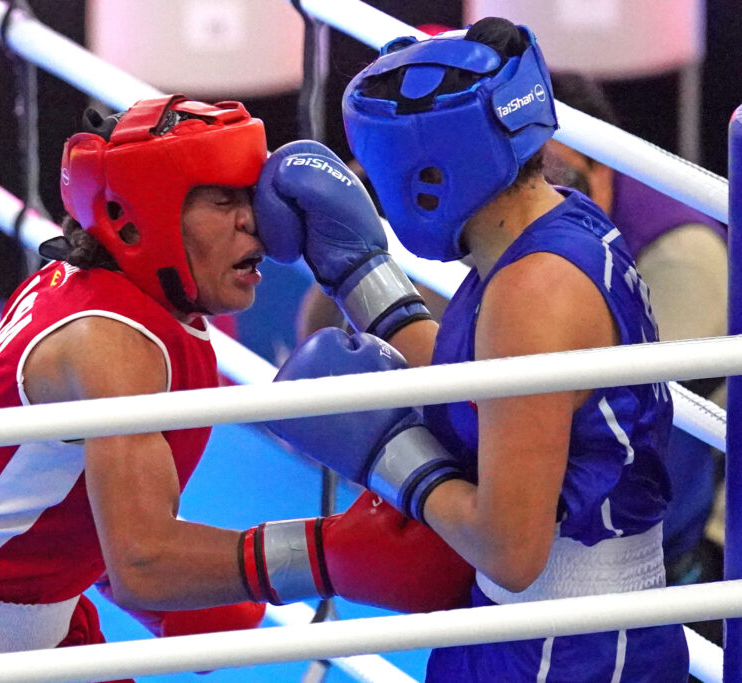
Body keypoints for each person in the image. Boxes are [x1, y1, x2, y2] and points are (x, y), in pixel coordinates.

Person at [0, 95, 473, 672]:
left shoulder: (139, 303)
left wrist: (177, 597)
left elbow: (50, 488)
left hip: (46, 630)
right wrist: (325, 554)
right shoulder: (111, 344)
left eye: (253, 194)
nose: (258, 223)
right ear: (143, 216)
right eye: (224, 199)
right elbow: (143, 561)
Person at [254, 18, 688, 682]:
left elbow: (510, 547)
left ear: (430, 175)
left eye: (381, 177)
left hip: (568, 648)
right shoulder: (549, 225)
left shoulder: (533, 292)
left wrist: (391, 458)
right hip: (533, 628)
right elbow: (488, 390)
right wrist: (360, 278)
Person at [542, 71, 727, 588]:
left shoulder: (681, 255)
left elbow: (637, 429)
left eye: (551, 169)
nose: (536, 188)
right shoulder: (519, 225)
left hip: (701, 532)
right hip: (597, 526)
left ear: (600, 163)